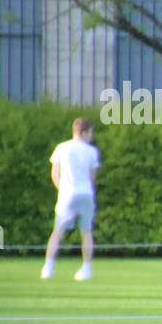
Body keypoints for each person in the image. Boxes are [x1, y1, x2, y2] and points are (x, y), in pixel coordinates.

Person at [41, 117, 100, 281]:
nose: (92, 136)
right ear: (85, 132)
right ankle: (86, 269)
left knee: (58, 231)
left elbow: (55, 174)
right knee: (86, 232)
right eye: (91, 132)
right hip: (86, 194)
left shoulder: (61, 148)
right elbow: (92, 177)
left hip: (67, 194)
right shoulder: (91, 151)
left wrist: (63, 190)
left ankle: (48, 267)